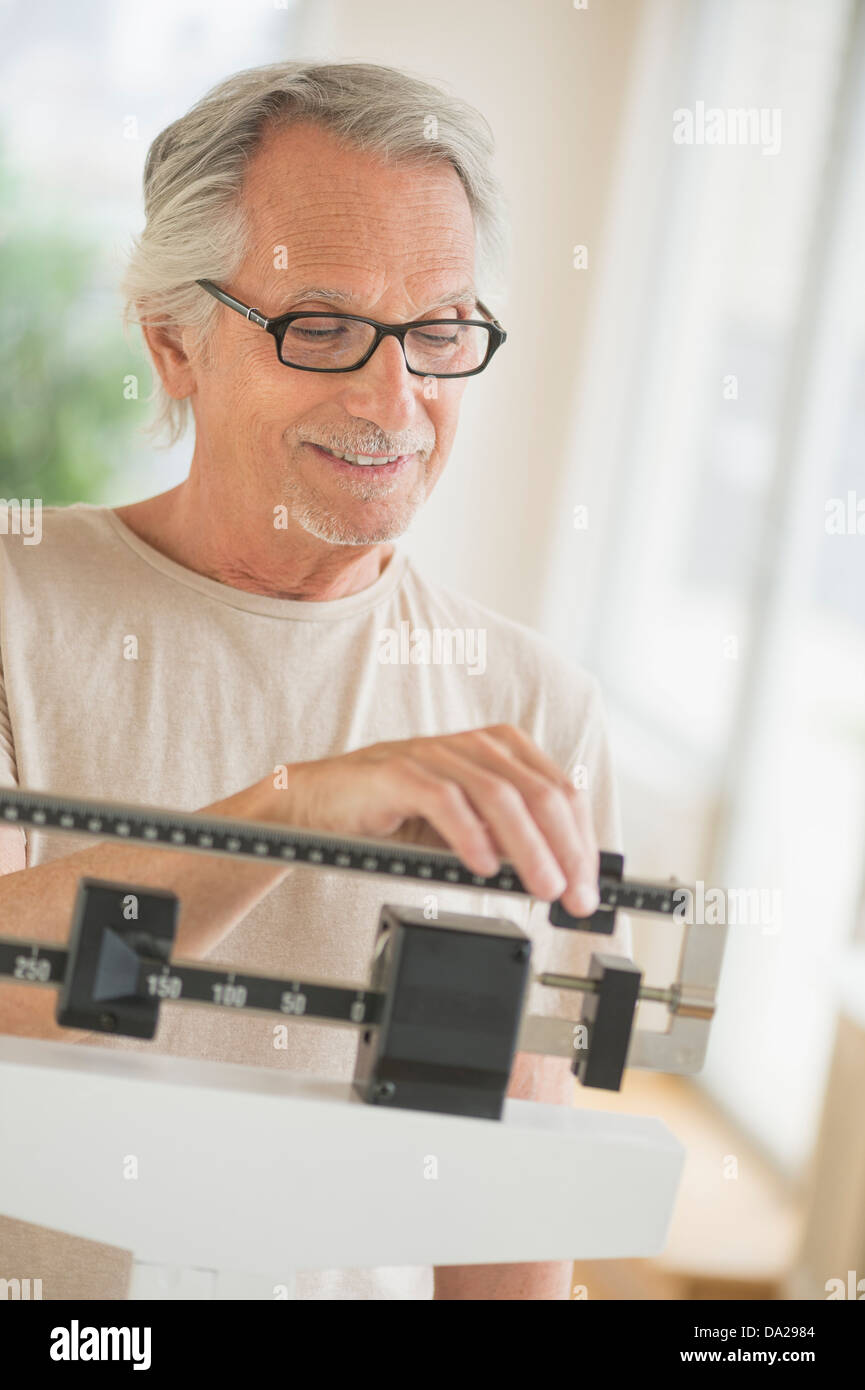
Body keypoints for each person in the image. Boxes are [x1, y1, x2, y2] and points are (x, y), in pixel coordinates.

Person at [0, 61, 630, 1301]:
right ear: (173, 342)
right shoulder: (17, 608)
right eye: (323, 327)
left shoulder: (535, 712)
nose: (395, 398)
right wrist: (294, 804)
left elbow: (514, 1203)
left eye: (440, 330)